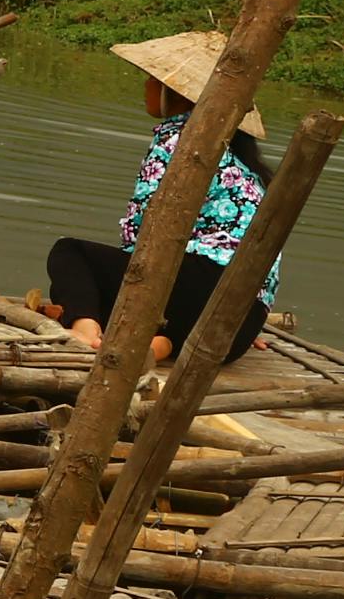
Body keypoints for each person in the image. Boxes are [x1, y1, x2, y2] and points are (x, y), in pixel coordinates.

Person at [36, 32, 279, 361]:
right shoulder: (245, 163)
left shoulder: (181, 141)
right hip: (239, 326)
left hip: (198, 298)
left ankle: (86, 331)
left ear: (176, 93)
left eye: (152, 79)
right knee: (97, 288)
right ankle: (162, 344)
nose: (146, 86)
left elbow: (147, 239)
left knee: (70, 255)